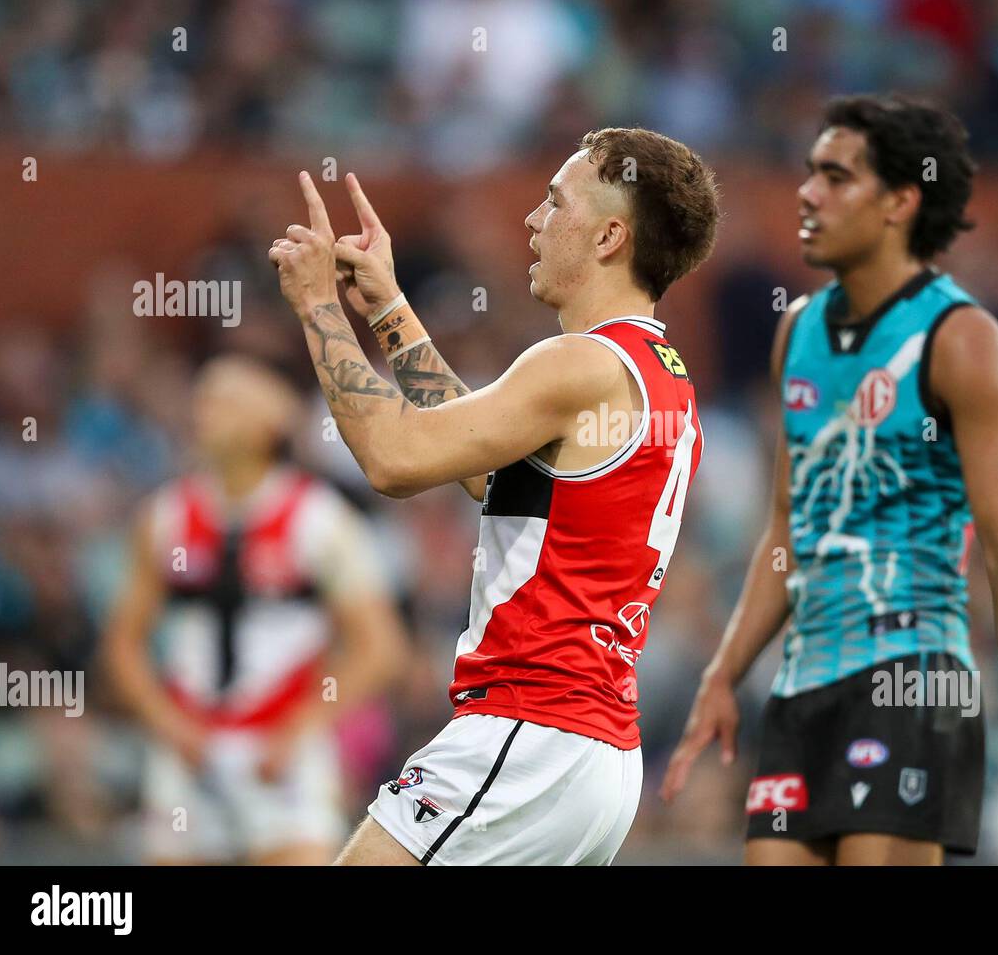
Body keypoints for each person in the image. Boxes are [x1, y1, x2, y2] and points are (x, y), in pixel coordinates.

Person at [267, 128, 719, 865]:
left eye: (555, 202)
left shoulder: (578, 363)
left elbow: (395, 458)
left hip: (529, 727)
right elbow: (488, 472)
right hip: (596, 754)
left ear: (610, 235)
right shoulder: (662, 376)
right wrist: (386, 306)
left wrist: (320, 308)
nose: (534, 222)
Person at [662, 94, 998, 865]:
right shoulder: (797, 332)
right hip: (804, 679)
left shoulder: (963, 341)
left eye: (836, 177)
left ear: (900, 203)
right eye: (810, 173)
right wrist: (723, 673)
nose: (808, 194)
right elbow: (786, 526)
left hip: (912, 678)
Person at [103, 354, 405, 864]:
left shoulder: (319, 519)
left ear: (270, 423)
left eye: (224, 401)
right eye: (202, 400)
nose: (203, 412)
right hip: (189, 742)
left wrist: (305, 725)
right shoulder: (165, 516)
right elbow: (121, 644)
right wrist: (167, 723)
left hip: (282, 747)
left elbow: (381, 648)